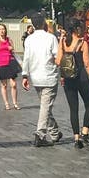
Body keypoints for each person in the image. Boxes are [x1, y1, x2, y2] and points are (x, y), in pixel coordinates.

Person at [21, 12, 62, 147]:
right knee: (46, 106)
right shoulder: (51, 38)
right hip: (49, 76)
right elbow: (57, 57)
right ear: (44, 23)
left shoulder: (29, 39)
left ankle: (55, 132)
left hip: (36, 77)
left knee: (45, 106)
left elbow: (26, 58)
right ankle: (40, 134)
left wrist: (25, 75)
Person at [56, 19, 89, 148]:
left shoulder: (63, 42)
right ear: (77, 29)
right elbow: (87, 63)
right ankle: (85, 133)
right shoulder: (82, 42)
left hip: (68, 79)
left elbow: (58, 61)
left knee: (73, 109)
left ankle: (76, 139)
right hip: (81, 77)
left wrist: (60, 42)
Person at [0, 24, 21, 110]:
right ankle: (6, 103)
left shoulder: (9, 40)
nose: (1, 31)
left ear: (5, 30)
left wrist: (11, 48)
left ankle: (15, 103)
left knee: (14, 84)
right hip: (1, 64)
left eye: (3, 29)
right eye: (0, 29)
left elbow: (13, 51)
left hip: (11, 63)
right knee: (4, 85)